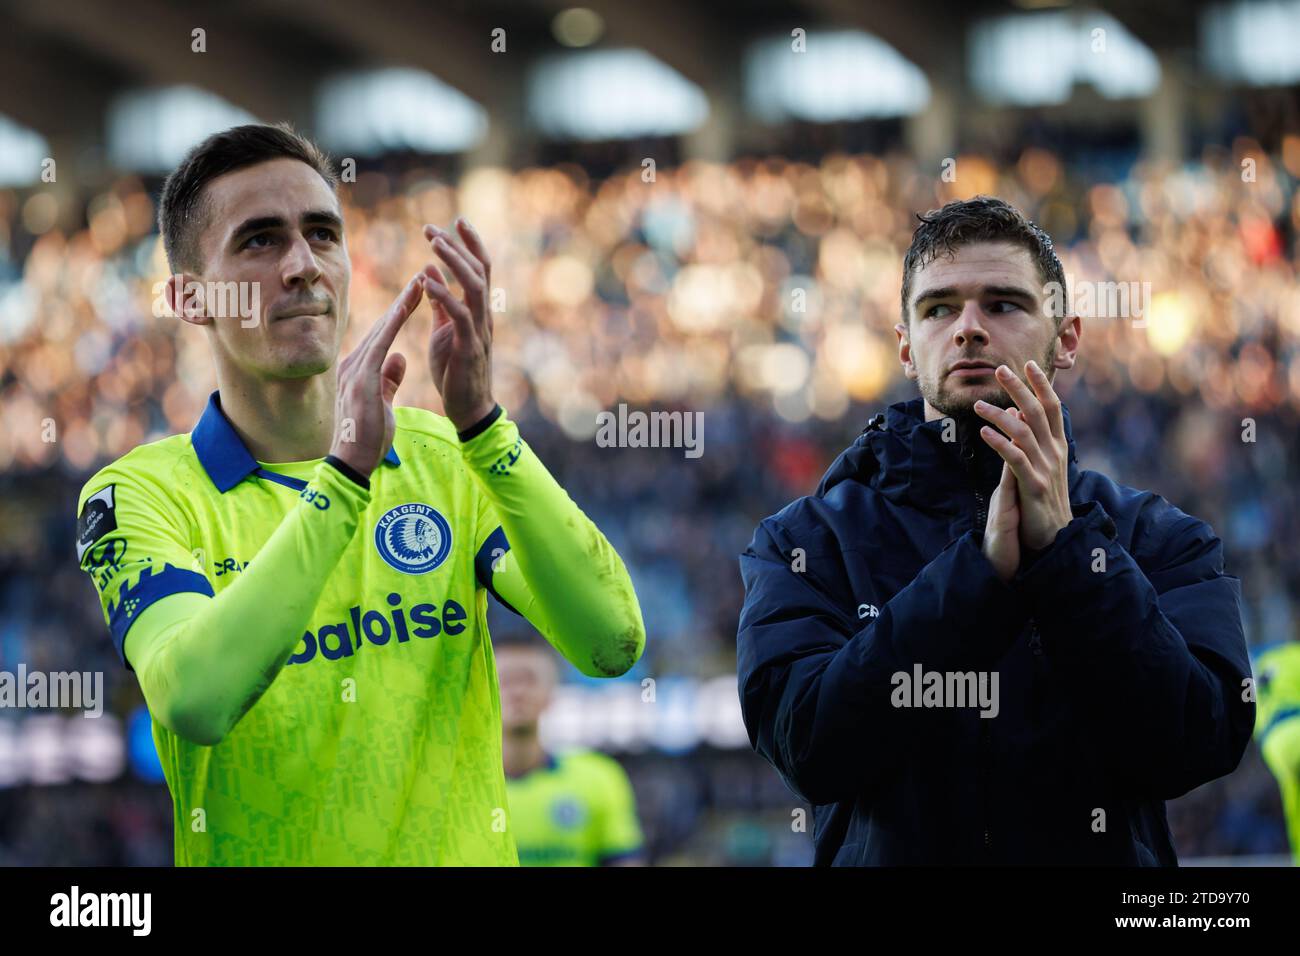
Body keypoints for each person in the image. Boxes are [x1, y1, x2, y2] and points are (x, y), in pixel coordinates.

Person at [74, 123, 645, 865]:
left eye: (322, 235)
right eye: (259, 241)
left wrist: (482, 424)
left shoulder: (448, 455)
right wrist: (343, 478)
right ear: (189, 297)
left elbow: (611, 642)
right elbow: (196, 700)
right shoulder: (141, 495)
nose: (303, 265)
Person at [736, 196, 1254, 865]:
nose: (968, 329)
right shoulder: (806, 542)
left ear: (1066, 337)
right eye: (939, 308)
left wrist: (1070, 557)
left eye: (1003, 305)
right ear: (905, 343)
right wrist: (976, 579)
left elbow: (1199, 743)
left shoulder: (1160, 538)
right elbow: (808, 748)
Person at [496, 632, 646, 866]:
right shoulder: (457, 786)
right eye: (505, 681)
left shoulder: (600, 777)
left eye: (528, 680)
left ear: (552, 693)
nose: (518, 692)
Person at [1252, 640, 1300, 862]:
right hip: (1295, 725)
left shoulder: (1253, 664)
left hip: (1273, 743)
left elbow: (1243, 701)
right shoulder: (1295, 654)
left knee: (1293, 801)